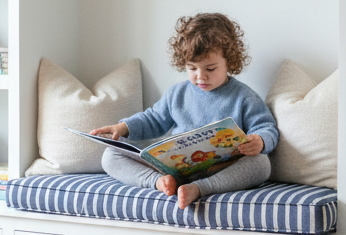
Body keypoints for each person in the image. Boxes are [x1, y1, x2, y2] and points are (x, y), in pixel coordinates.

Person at [91, 12, 278, 210]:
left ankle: (198, 188)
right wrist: (123, 127)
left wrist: (260, 140)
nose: (200, 77)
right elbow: (153, 119)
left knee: (261, 164)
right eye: (192, 68)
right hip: (173, 168)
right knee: (110, 155)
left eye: (211, 69)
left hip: (221, 170)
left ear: (229, 62)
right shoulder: (177, 93)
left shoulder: (244, 97)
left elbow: (267, 127)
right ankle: (159, 183)